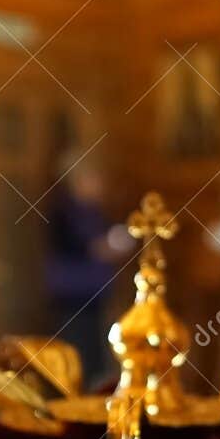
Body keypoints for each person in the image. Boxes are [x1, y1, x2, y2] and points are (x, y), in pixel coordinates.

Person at [44, 152, 133, 381]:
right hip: (74, 295)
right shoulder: (66, 211)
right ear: (78, 181)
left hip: (95, 295)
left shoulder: (93, 210)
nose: (99, 184)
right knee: (79, 352)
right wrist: (111, 246)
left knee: (97, 351)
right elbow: (91, 247)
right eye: (93, 178)